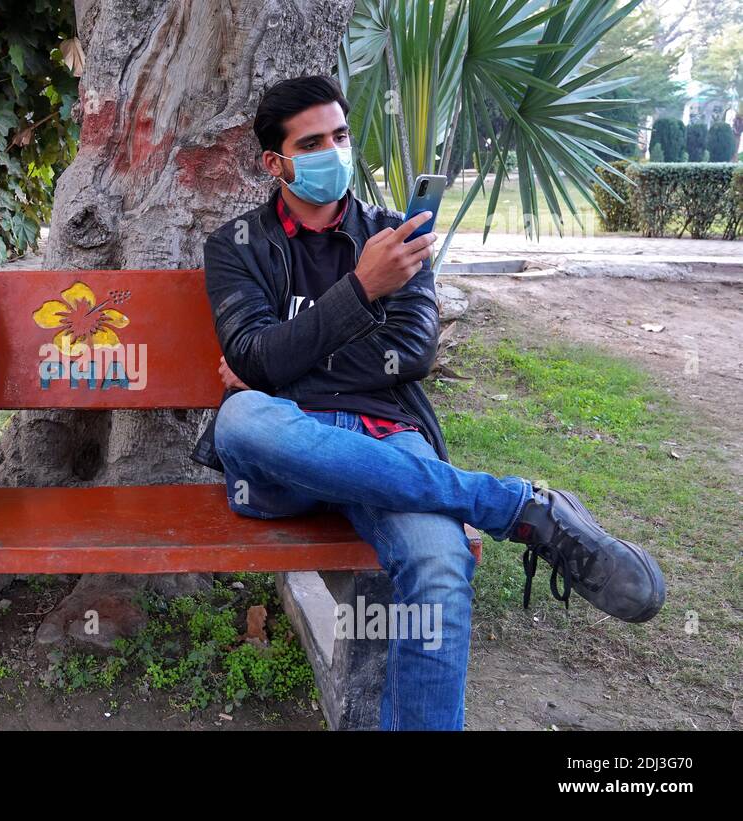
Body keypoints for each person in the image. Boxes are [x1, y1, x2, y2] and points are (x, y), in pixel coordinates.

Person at [188, 75, 665, 730]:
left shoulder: (398, 233)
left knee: (440, 566)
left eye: (340, 134)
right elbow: (252, 356)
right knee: (242, 417)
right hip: (287, 452)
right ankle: (510, 504)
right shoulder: (236, 247)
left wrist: (278, 363)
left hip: (385, 434)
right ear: (275, 162)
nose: (333, 149)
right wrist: (360, 290)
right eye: (313, 141)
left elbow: (408, 354)